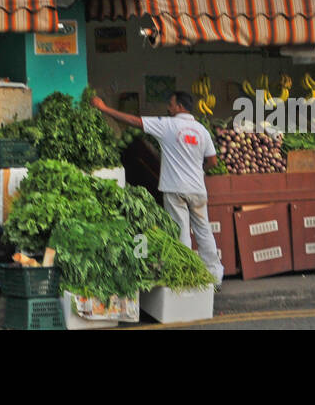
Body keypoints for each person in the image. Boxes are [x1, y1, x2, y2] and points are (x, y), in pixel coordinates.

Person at [92, 90, 224, 282]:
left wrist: (104, 108)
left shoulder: (167, 125)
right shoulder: (202, 131)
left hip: (175, 189)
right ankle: (215, 276)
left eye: (171, 104)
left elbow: (135, 121)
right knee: (204, 231)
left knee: (181, 231)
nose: (168, 108)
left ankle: (185, 274)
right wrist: (199, 171)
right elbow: (213, 161)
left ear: (179, 106)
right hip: (197, 189)